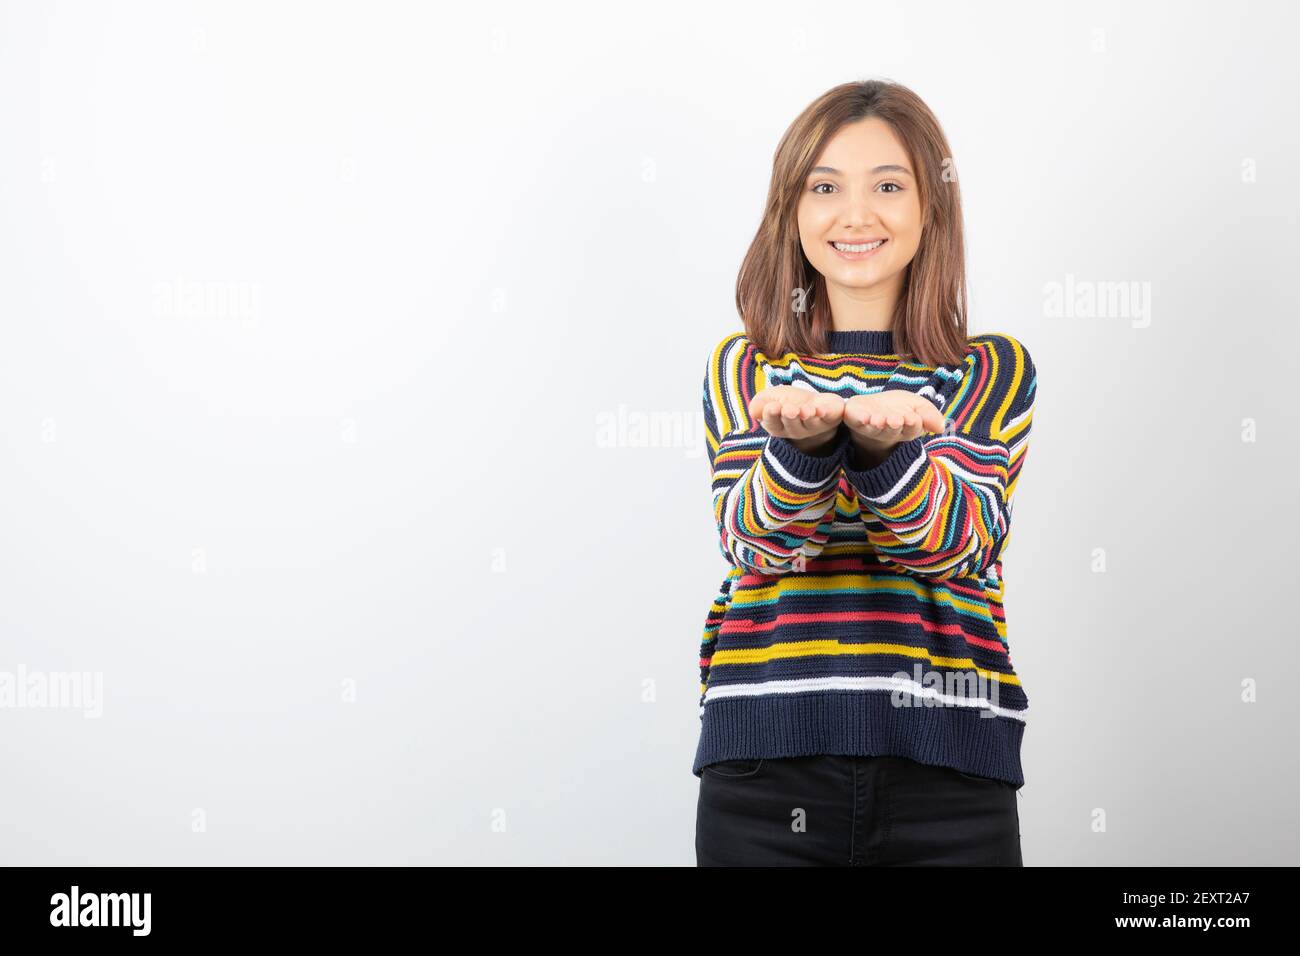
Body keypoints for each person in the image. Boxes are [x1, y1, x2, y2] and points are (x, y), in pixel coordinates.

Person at [693, 79, 1038, 866]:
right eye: (825, 187)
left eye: (888, 185)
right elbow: (755, 543)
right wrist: (803, 448)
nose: (856, 214)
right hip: (764, 773)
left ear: (930, 209)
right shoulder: (746, 369)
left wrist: (888, 455)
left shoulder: (990, 370)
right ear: (793, 210)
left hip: (950, 774)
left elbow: (959, 546)